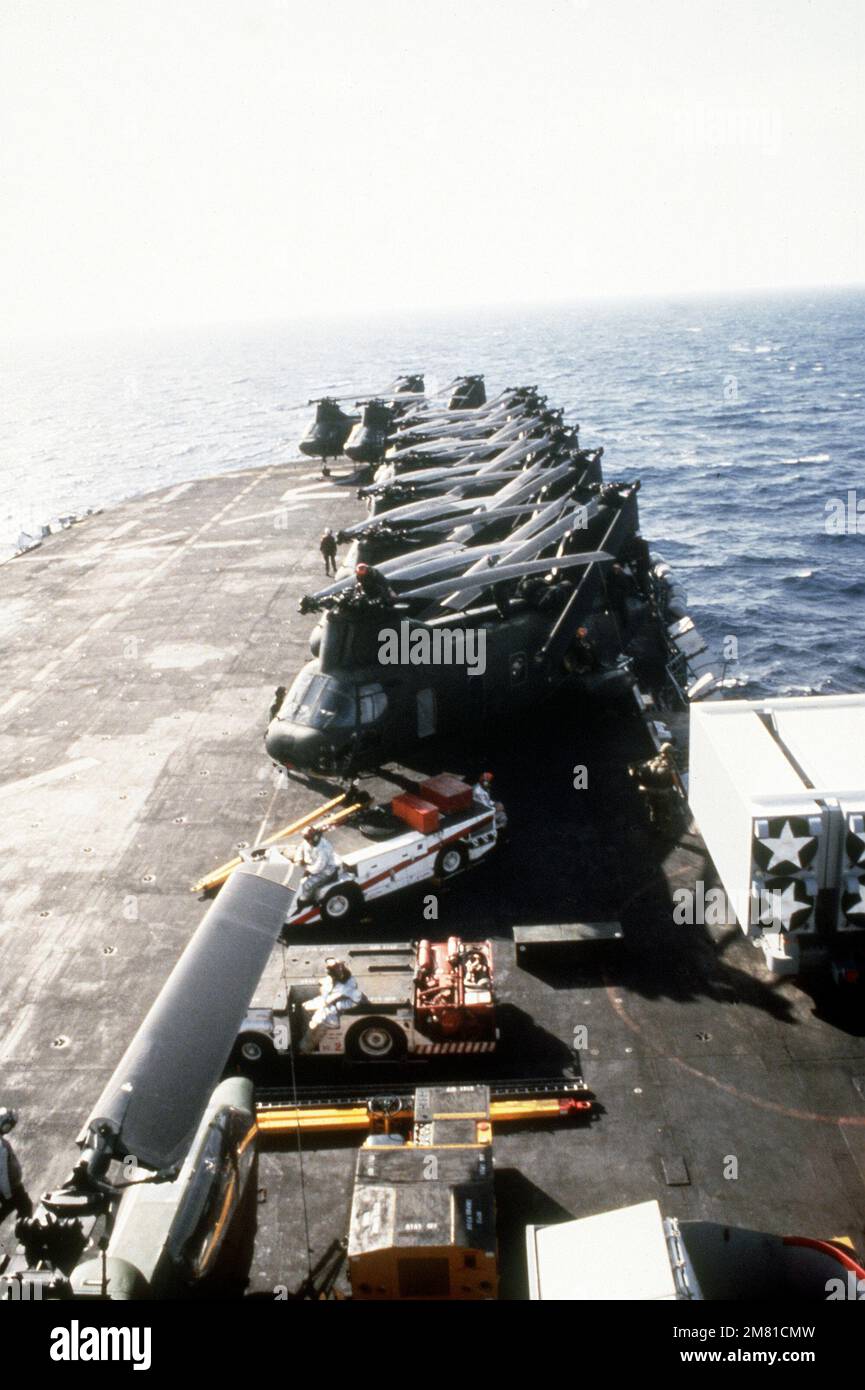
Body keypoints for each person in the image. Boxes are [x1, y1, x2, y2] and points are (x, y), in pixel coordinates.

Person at [299, 959, 363, 1052]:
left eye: (339, 967)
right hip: (323, 1003)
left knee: (314, 1027)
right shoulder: (332, 978)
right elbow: (325, 985)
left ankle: (304, 1049)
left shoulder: (348, 984)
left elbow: (356, 999)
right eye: (334, 968)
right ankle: (306, 1033)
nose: (338, 969)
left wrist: (340, 1005)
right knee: (305, 1007)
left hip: (330, 1013)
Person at [292, 826, 341, 906]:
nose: (308, 841)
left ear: (315, 836)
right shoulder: (308, 841)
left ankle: (304, 901)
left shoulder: (324, 848)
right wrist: (298, 860)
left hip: (325, 871)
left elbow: (319, 867)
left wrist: (307, 871)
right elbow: (300, 848)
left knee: (307, 884)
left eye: (309, 838)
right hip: (311, 866)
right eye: (306, 838)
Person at [0, 1109, 32, 1227]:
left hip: (11, 1187)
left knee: (11, 1208)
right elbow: (2, 1173)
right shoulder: (1, 1146)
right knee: (25, 1207)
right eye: (10, 1125)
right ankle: (25, 1232)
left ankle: (24, 1229)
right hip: (11, 1188)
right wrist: (8, 1194)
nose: (10, 1128)